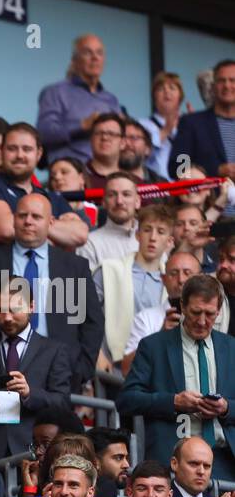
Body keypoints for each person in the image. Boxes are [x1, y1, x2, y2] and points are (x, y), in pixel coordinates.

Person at [0, 192, 103, 387]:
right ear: (14, 220)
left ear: (51, 223)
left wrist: (80, 370)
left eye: (36, 216)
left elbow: (93, 323)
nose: (28, 221)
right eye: (22, 215)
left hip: (58, 373)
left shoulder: (75, 267)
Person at [119, 274, 235, 478]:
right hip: (172, 459)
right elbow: (126, 400)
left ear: (219, 311)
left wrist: (225, 408)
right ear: (182, 305)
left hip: (223, 460)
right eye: (195, 312)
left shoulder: (232, 348)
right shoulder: (153, 346)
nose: (201, 321)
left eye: (209, 314)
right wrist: (173, 401)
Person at [0, 278, 72, 465]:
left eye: (14, 310)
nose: (6, 317)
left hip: (36, 448)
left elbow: (62, 403)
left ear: (31, 306)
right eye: (0, 310)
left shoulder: (54, 350)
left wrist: (29, 394)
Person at [0, 122, 88, 262]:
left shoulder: (52, 198)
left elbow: (79, 234)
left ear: (38, 154)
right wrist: (54, 231)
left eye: (27, 149)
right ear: (2, 151)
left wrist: (26, 229)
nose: (20, 155)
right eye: (12, 149)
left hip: (46, 280)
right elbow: (6, 229)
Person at [95, 201, 172, 367]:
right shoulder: (109, 270)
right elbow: (86, 315)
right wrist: (97, 353)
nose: (153, 238)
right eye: (147, 230)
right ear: (137, 235)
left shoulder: (173, 280)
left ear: (169, 241)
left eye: (160, 232)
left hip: (156, 365)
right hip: (110, 363)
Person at [35, 34, 122, 165]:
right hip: (70, 175)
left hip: (106, 175)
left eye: (99, 53)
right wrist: (81, 126)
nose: (95, 58)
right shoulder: (55, 92)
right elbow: (43, 134)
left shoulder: (111, 99)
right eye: (88, 52)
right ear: (74, 60)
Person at [123, 250, 203, 373]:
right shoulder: (146, 318)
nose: (181, 279)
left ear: (201, 279)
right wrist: (160, 337)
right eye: (174, 273)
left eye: (187, 273)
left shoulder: (214, 316)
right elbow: (126, 370)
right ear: (163, 279)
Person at [170, 59, 235, 187]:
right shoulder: (192, 123)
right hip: (209, 205)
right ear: (213, 86)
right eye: (221, 81)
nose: (227, 85)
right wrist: (216, 170)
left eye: (233, 80)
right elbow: (177, 168)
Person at [76, 171, 139, 271]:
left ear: (137, 202)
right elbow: (86, 285)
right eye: (112, 195)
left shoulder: (154, 238)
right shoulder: (90, 244)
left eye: (126, 194)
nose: (119, 201)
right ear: (103, 202)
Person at [145, 71, 185, 180]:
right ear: (154, 96)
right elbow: (142, 154)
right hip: (156, 187)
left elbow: (187, 156)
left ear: (180, 95)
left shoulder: (188, 124)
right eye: (161, 89)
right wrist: (166, 130)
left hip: (183, 189)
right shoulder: (143, 125)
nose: (167, 92)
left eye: (172, 88)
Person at [80, 112, 124, 191]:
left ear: (122, 143)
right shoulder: (78, 178)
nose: (105, 137)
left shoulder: (134, 181)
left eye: (111, 134)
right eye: (99, 133)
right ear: (91, 140)